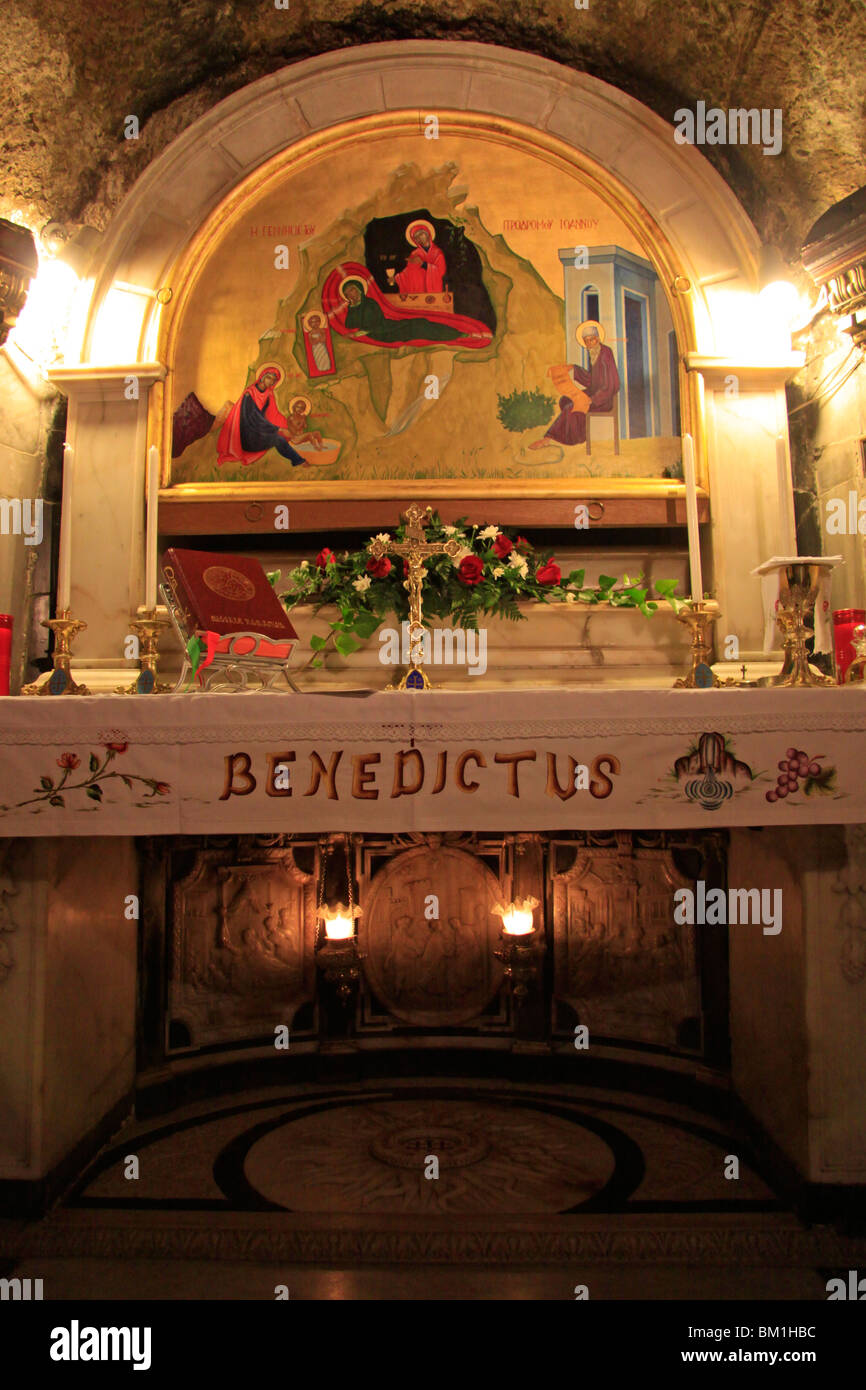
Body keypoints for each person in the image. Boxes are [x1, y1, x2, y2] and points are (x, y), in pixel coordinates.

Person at [529, 321, 620, 449]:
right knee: (565, 400)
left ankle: (548, 438)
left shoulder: (606, 353)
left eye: (591, 340)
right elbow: (592, 380)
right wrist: (574, 369)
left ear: (598, 339)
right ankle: (577, 435)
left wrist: (592, 400)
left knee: (573, 406)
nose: (589, 344)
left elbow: (613, 384)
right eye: (586, 341)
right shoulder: (594, 354)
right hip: (594, 395)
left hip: (603, 400)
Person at [216, 364, 310, 467]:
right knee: (278, 439)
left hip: (259, 430)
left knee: (282, 437)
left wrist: (286, 427)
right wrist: (279, 430)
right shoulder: (249, 394)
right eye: (269, 377)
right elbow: (253, 418)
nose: (271, 381)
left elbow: (274, 414)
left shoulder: (268, 394)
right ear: (262, 376)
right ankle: (299, 461)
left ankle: (298, 459)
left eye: (274, 380)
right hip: (248, 436)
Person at [341, 278, 463, 343]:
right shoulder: (354, 308)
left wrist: (357, 332)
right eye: (347, 294)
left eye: (352, 290)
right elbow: (350, 324)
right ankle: (454, 335)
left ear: (359, 289)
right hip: (384, 334)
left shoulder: (370, 303)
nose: (351, 294)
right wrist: (352, 307)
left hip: (387, 327)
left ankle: (455, 332)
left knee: (420, 322)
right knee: (418, 327)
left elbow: (376, 321)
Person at [395, 220, 447, 295]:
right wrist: (397, 278)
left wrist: (423, 264)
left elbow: (441, 271)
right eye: (416, 237)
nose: (419, 238)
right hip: (418, 291)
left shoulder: (437, 252)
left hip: (433, 291)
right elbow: (408, 272)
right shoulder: (415, 253)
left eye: (421, 234)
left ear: (427, 234)